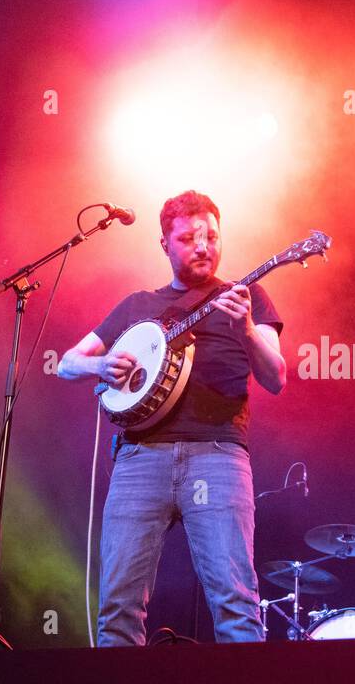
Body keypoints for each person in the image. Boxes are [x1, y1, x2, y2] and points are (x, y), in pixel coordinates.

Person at [59, 190, 286, 646]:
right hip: (140, 458)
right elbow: (66, 363)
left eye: (211, 237)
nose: (203, 246)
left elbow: (276, 376)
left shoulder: (246, 296)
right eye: (187, 238)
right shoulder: (137, 307)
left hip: (217, 455)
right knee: (118, 605)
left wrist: (244, 331)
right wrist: (100, 366)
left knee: (236, 603)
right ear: (164, 244)